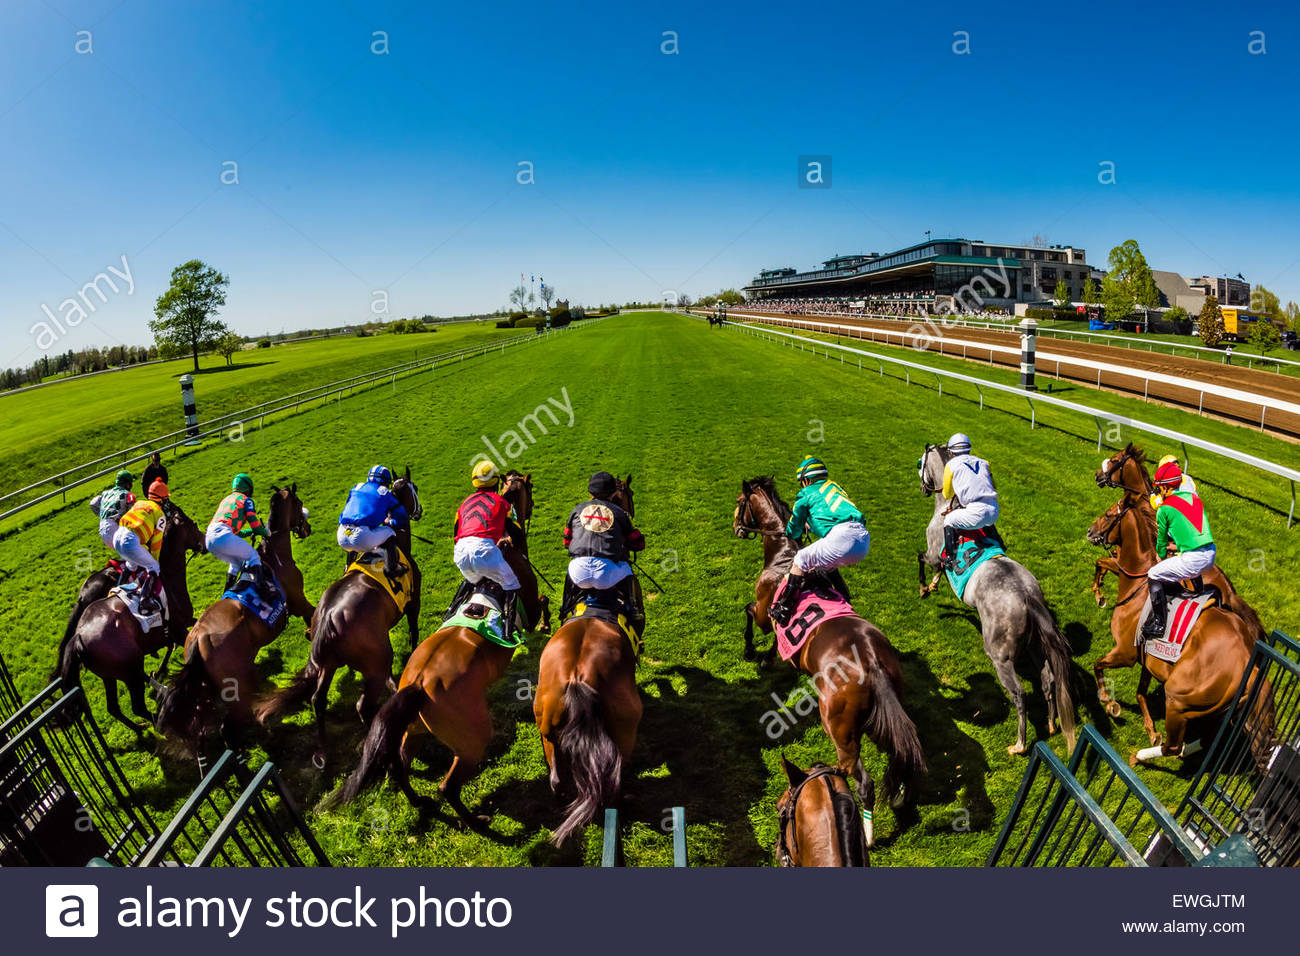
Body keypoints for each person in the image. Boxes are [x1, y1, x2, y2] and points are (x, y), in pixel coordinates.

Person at [767, 456, 869, 626]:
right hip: (863, 539)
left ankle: (784, 610)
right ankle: (846, 599)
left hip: (842, 538)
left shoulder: (806, 492)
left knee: (801, 559)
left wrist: (790, 532)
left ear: (805, 481)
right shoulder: (835, 487)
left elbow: (795, 526)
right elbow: (832, 519)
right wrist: (812, 525)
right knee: (826, 566)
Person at [564, 471, 646, 633]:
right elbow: (638, 543)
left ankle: (564, 608)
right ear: (615, 493)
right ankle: (634, 610)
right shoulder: (619, 513)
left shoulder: (577, 509)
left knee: (571, 568)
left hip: (578, 573)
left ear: (590, 492)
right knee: (628, 571)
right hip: (606, 575)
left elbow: (567, 540)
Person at [1142, 460, 1216, 642]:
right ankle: (1196, 591)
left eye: (1160, 487)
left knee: (1153, 574)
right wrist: (1178, 546)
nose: (1159, 491)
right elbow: (1193, 530)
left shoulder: (1164, 509)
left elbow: (1160, 545)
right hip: (1211, 553)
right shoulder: (1194, 498)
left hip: (1194, 559)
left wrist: (1160, 556)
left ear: (1166, 487)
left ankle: (1159, 624)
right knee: (1180, 557)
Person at [451, 460, 521, 636]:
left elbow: (456, 532)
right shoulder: (502, 502)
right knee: (511, 584)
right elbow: (516, 533)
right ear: (497, 482)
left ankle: (450, 612)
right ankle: (507, 631)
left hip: (460, 551)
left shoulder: (463, 504)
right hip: (484, 550)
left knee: (472, 580)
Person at [939, 433, 1000, 570]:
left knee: (949, 519)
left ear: (951, 452)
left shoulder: (950, 465)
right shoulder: (984, 462)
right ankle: (999, 542)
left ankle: (949, 557)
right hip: (994, 510)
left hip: (976, 512)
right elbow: (993, 485)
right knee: (986, 519)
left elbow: (947, 494)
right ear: (969, 449)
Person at [338, 465, 408, 578]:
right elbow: (402, 517)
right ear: (385, 482)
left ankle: (348, 566)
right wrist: (390, 522)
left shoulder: (357, 487)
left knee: (354, 537)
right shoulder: (383, 491)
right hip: (361, 537)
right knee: (389, 532)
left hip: (341, 535)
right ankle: (393, 568)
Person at [114, 480, 170, 614]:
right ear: (162, 499)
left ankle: (117, 589)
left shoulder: (139, 503)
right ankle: (145, 599)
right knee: (153, 567)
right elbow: (157, 543)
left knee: (130, 565)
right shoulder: (160, 514)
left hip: (118, 535)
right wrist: (155, 561)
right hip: (131, 540)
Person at [206, 473, 269, 590]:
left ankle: (227, 591)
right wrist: (266, 532)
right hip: (223, 534)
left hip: (209, 537)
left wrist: (251, 531)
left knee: (236, 562)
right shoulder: (246, 500)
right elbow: (255, 523)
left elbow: (235, 534)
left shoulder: (227, 499)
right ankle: (264, 590)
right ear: (249, 489)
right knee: (254, 556)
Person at [88, 470, 136, 554]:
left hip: (102, 530)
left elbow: (92, 503)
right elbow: (132, 513)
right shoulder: (128, 494)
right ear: (127, 484)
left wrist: (102, 514)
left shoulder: (105, 493)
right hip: (115, 529)